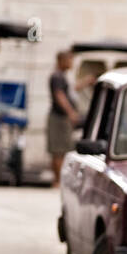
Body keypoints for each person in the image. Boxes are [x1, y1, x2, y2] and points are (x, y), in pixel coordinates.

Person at [47, 50, 88, 186]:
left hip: (62, 118)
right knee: (59, 149)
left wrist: (86, 82)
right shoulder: (57, 76)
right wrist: (71, 113)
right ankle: (58, 181)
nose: (72, 63)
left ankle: (58, 180)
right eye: (70, 60)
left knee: (62, 149)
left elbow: (70, 90)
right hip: (59, 118)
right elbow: (60, 96)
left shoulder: (62, 77)